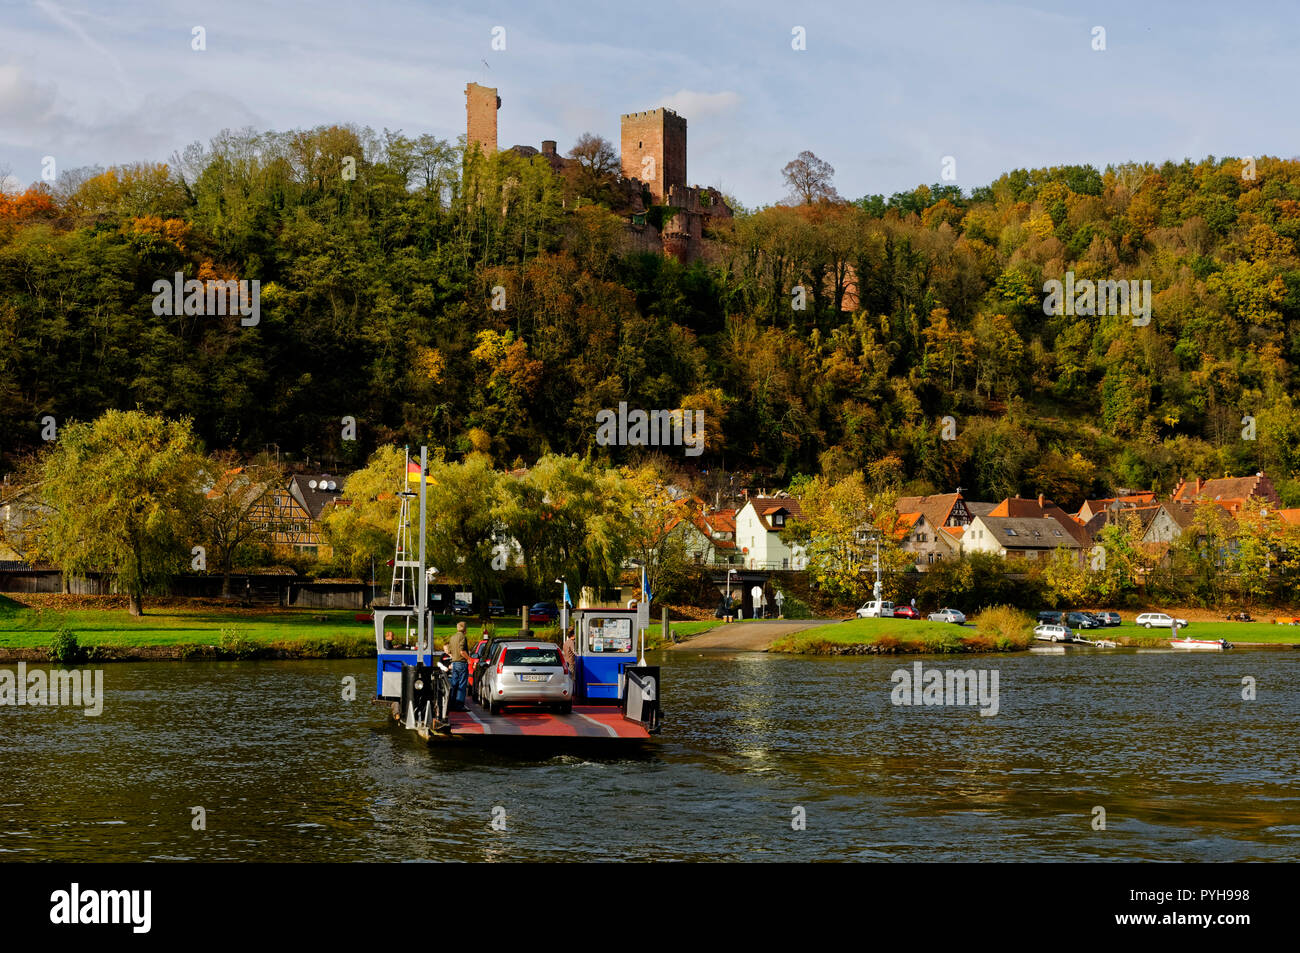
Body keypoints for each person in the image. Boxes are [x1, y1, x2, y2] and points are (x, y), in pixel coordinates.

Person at [444, 621, 472, 711]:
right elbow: (462, 651)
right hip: (461, 663)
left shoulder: (452, 638)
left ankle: (451, 704)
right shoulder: (462, 637)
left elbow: (449, 651)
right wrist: (468, 659)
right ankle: (459, 705)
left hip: (454, 663)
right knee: (462, 684)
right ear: (465, 629)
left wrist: (454, 657)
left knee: (454, 684)